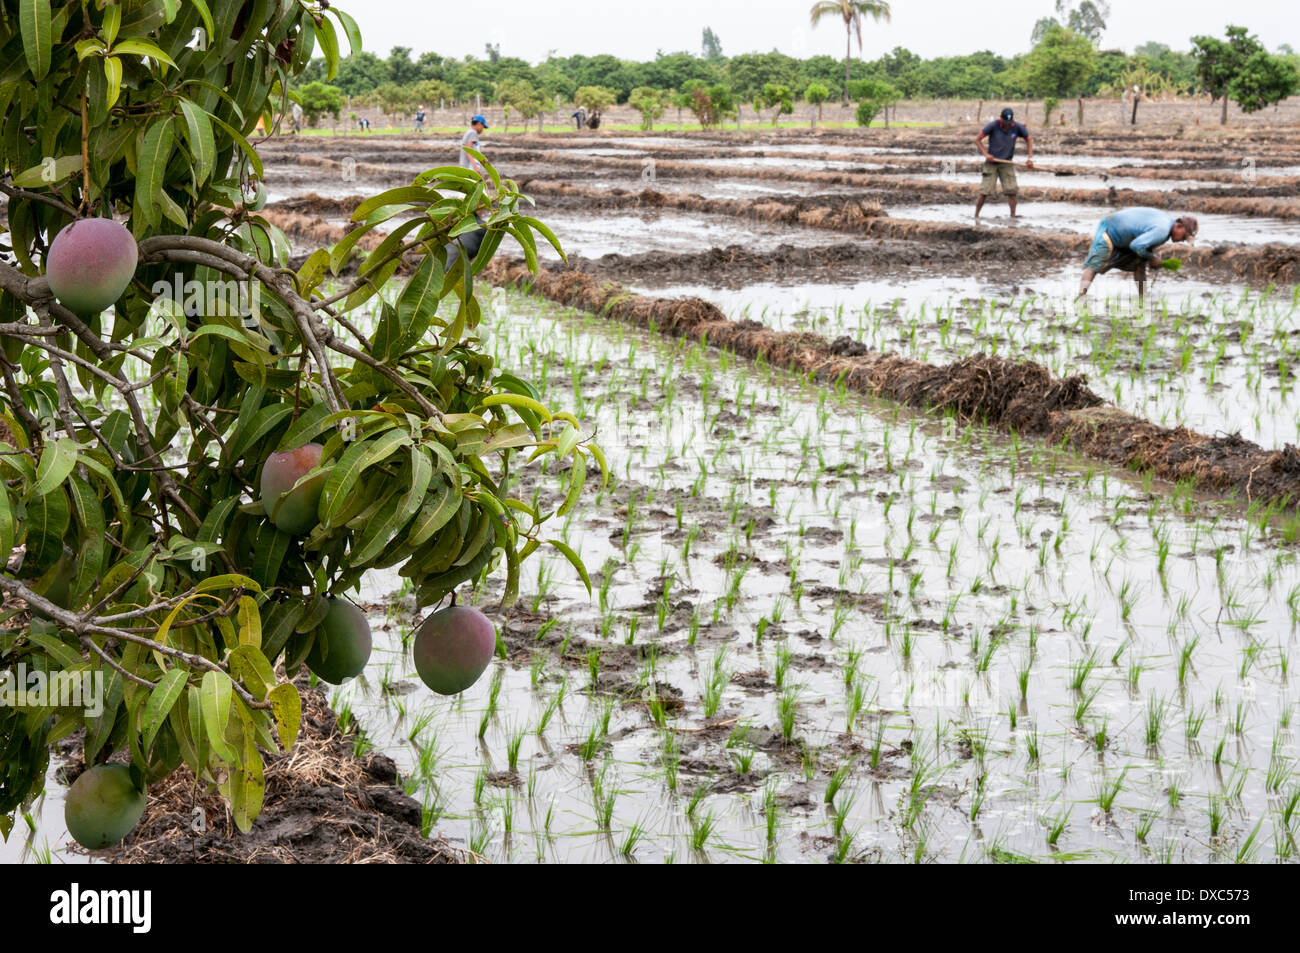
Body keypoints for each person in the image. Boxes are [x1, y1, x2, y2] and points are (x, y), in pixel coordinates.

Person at [1076, 208, 1198, 301]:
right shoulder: (1162, 230)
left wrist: (1149, 258)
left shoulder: (1167, 224)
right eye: (1184, 236)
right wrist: (1152, 258)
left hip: (1126, 236)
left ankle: (1143, 298)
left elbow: (1139, 243)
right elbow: (1136, 246)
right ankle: (1081, 297)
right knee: (1093, 266)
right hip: (1109, 231)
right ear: (1179, 226)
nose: (1183, 240)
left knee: (1140, 265)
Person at [975, 107, 1033, 219]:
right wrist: (986, 155)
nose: (1007, 125)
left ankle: (1013, 216)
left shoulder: (1017, 127)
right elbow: (977, 140)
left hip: (1007, 162)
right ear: (1000, 119)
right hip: (992, 163)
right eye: (1005, 122)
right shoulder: (992, 126)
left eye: (1009, 123)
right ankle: (976, 215)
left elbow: (1028, 139)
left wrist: (1030, 158)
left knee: (1012, 191)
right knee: (984, 191)